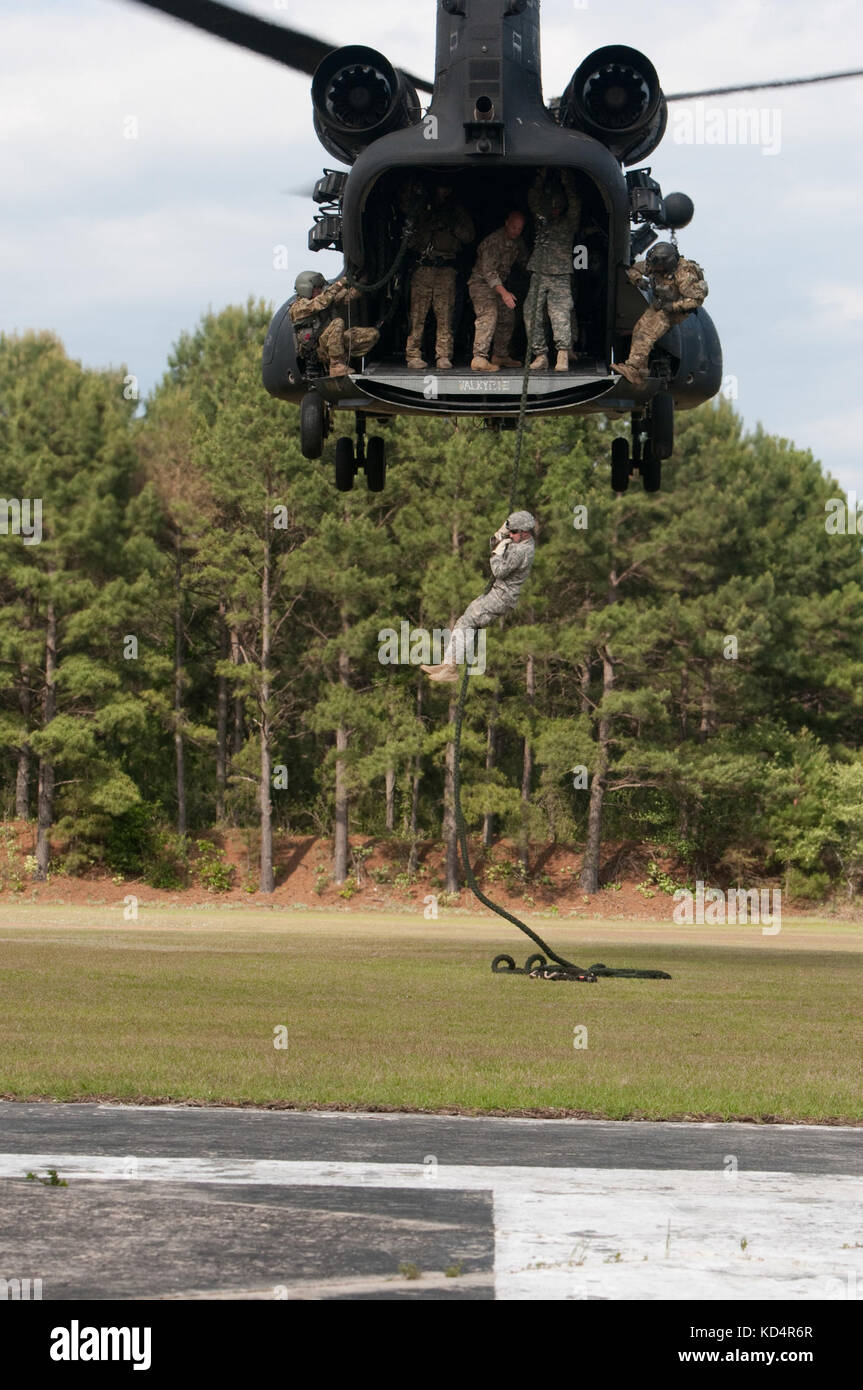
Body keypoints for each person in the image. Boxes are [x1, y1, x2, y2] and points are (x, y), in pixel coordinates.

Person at [421, 511, 536, 682]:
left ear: (524, 532)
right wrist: (502, 533)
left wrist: (496, 553)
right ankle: (447, 663)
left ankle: (451, 667)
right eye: (510, 532)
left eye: (514, 533)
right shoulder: (521, 539)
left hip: (502, 597)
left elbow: (498, 571)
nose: (510, 535)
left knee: (467, 622)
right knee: (465, 620)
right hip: (498, 593)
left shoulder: (522, 551)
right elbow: (501, 534)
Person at [611, 242, 708, 387]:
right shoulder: (654, 265)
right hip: (660, 304)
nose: (652, 270)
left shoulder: (684, 275)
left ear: (666, 264)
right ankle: (641, 372)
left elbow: (696, 300)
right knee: (639, 328)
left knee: (648, 332)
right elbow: (633, 269)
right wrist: (639, 280)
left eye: (656, 267)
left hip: (675, 311)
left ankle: (633, 368)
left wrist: (674, 306)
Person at [403, 182, 475, 371]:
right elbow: (409, 240)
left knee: (445, 316)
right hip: (424, 268)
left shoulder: (457, 212)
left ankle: (443, 356)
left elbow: (469, 236)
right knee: (417, 315)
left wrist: (452, 227)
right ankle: (413, 354)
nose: (444, 190)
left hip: (446, 270)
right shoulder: (421, 209)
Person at [526, 168, 582, 372]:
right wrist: (540, 176)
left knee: (560, 315)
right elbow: (532, 198)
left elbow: (575, 202)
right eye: (553, 206)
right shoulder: (542, 220)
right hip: (539, 272)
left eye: (559, 206)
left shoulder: (569, 222)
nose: (556, 209)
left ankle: (562, 355)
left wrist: (566, 179)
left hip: (560, 274)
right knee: (530, 314)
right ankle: (540, 354)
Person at [468, 211, 528, 371]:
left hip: (498, 286)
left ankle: (500, 355)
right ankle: (479, 358)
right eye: (514, 227)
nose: (516, 231)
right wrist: (505, 293)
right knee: (488, 315)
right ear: (507, 223)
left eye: (520, 229)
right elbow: (490, 273)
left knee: (508, 316)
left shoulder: (517, 242)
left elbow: (525, 263)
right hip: (481, 284)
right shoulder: (493, 242)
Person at [289, 270, 379, 378]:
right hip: (317, 351)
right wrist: (339, 284)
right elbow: (320, 302)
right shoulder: (298, 308)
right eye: (317, 287)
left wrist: (361, 281)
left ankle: (343, 360)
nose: (320, 290)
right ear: (306, 289)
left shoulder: (324, 299)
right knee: (338, 323)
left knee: (371, 335)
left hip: (331, 345)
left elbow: (349, 296)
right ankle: (336, 366)